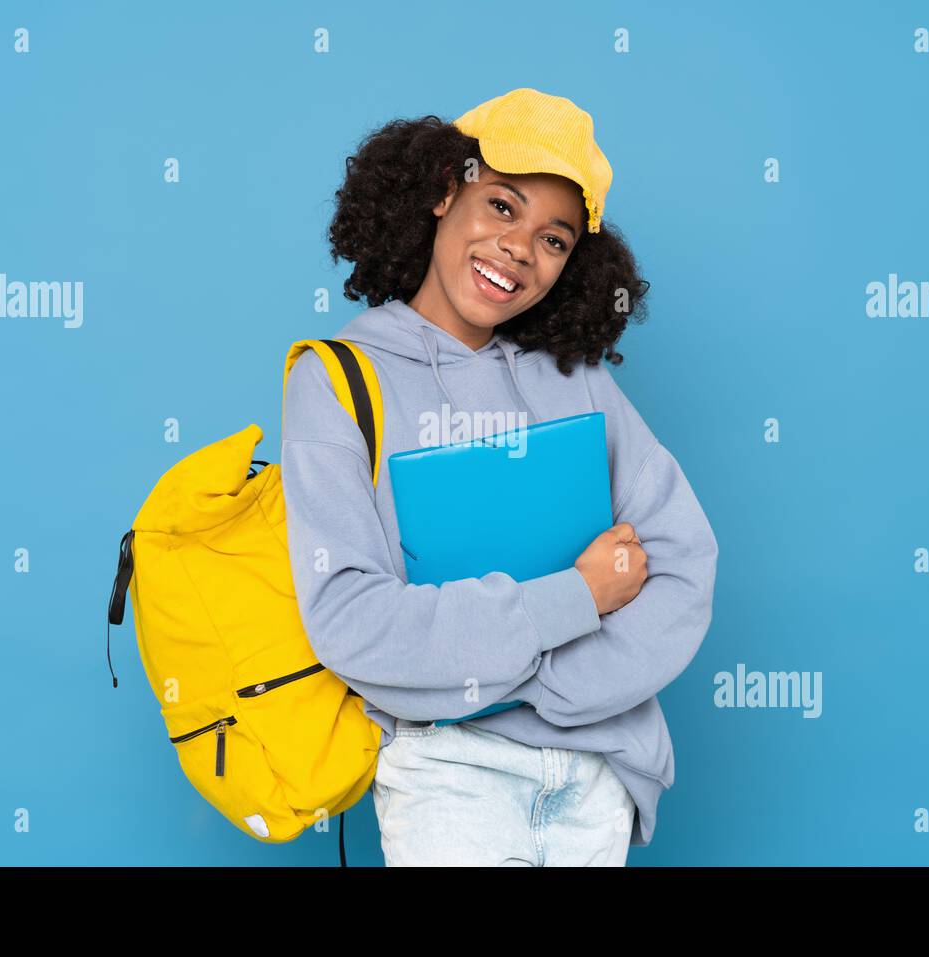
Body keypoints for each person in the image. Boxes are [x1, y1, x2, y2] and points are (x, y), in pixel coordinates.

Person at [280, 88, 718, 866]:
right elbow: (352, 618)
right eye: (503, 206)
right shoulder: (337, 382)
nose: (520, 248)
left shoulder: (576, 381)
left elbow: (682, 563)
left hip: (599, 774)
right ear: (444, 190)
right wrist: (578, 596)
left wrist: (531, 687)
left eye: (554, 238)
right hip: (451, 779)